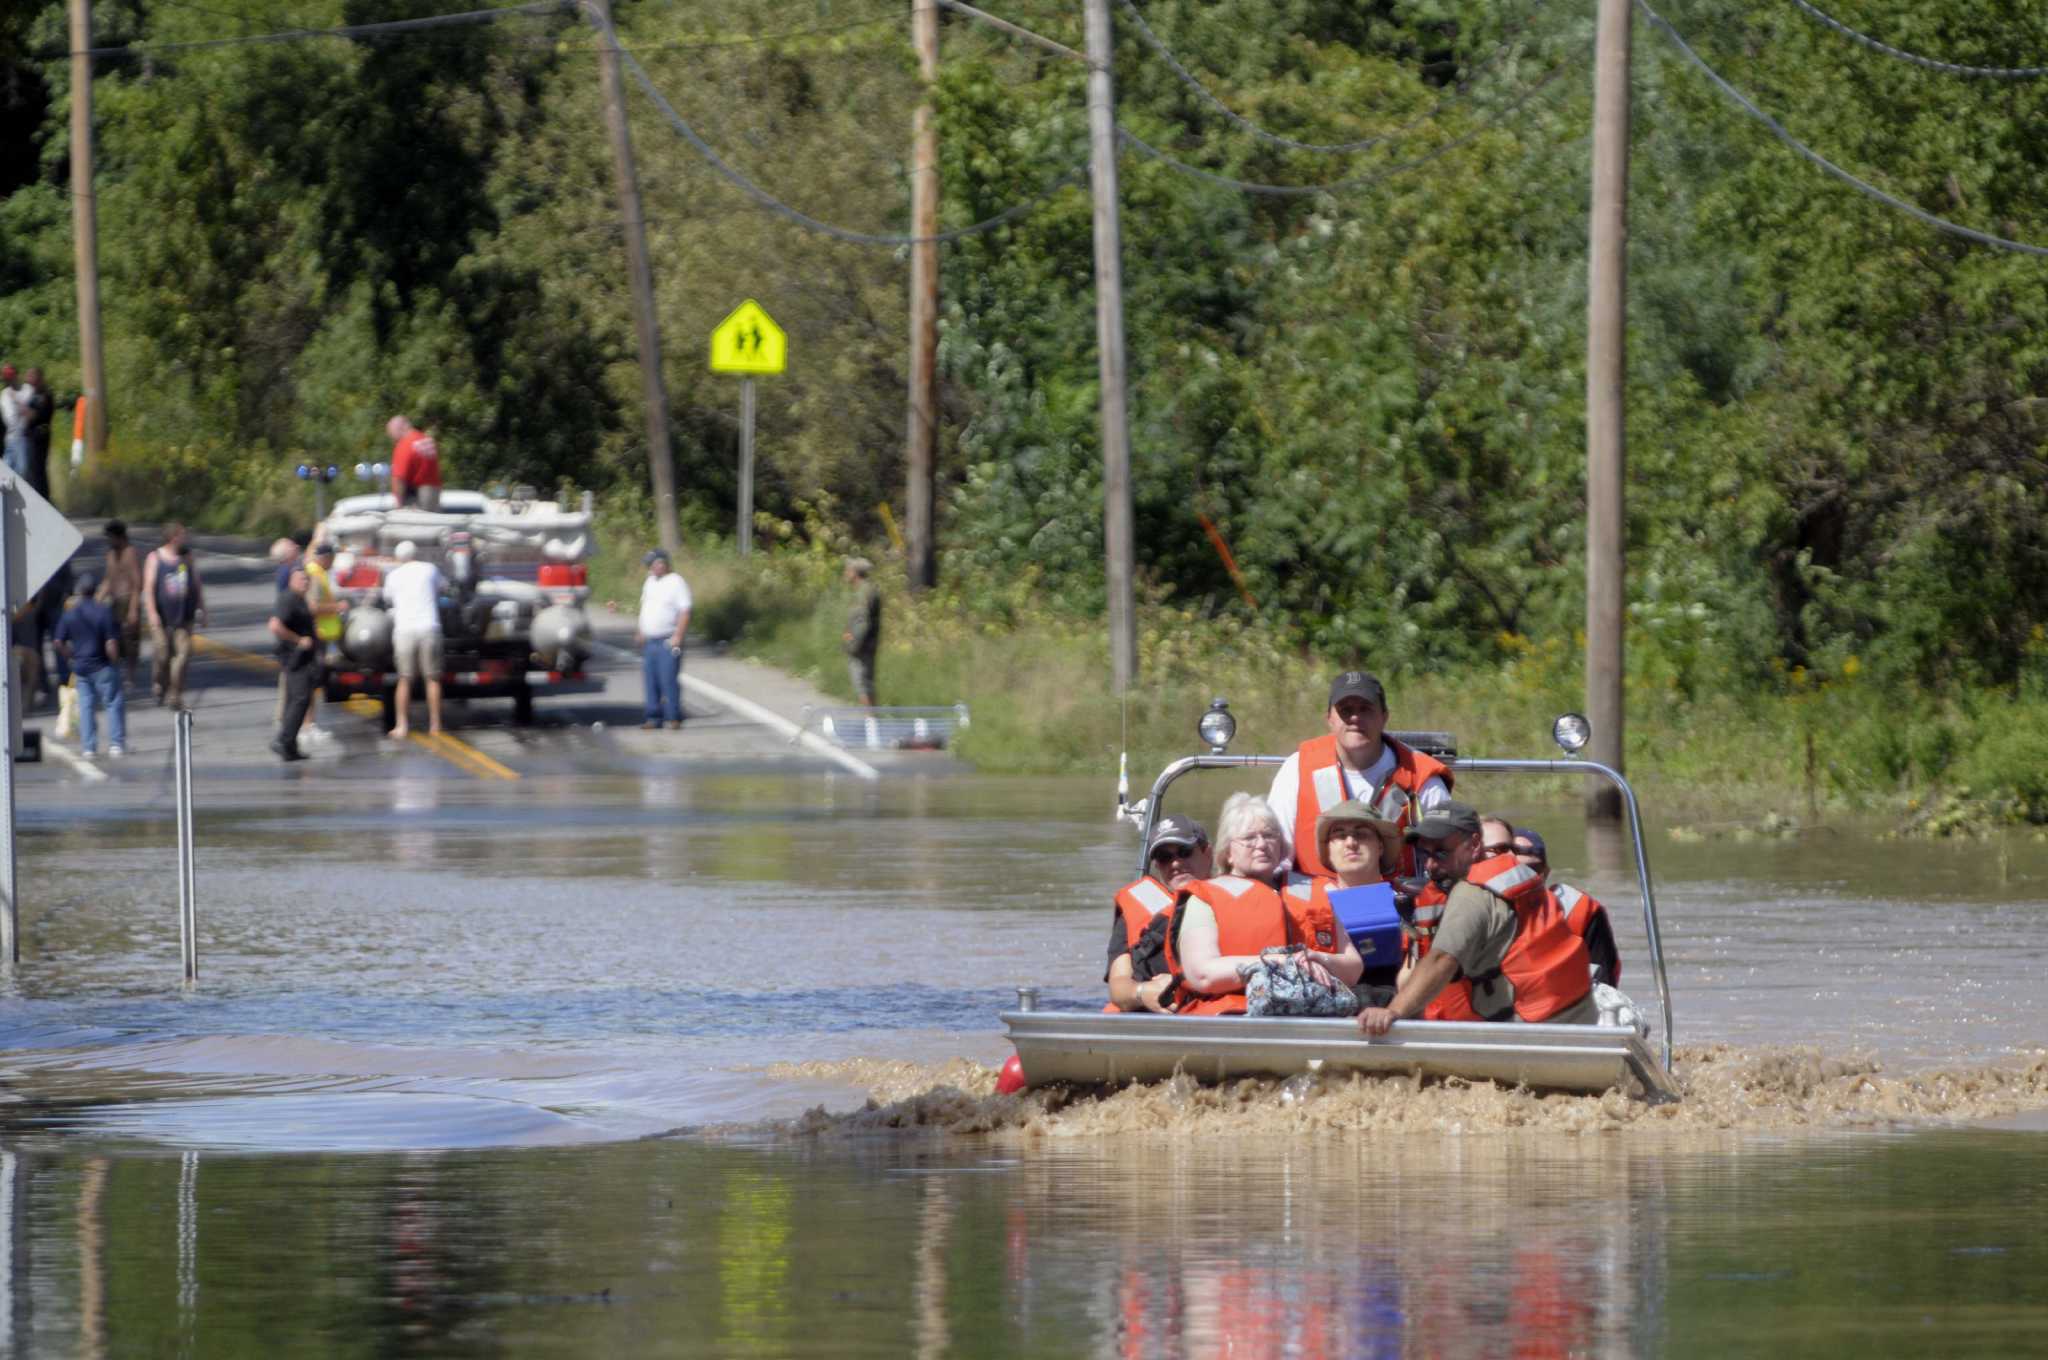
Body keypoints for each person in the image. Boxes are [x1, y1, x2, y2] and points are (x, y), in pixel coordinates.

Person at [1356, 801, 1597, 1035]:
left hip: (1536, 1026)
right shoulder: (1515, 873)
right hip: (1577, 1012)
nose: (1430, 865)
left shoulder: (1472, 894)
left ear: (1473, 845)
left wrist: (1393, 1012)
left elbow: (1442, 961)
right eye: (1422, 853)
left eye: (1442, 852)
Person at [1159, 792, 1363, 1016]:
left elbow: (1354, 967)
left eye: (1269, 835)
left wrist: (1319, 959)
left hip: (1316, 1013)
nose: (1261, 845)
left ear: (1281, 844)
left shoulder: (1320, 891)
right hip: (1236, 1018)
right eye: (1249, 838)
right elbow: (1202, 974)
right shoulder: (1203, 898)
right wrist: (1279, 963)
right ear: (1228, 852)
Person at [1264, 670, 1453, 878]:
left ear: (1384, 717)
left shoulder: (1421, 777)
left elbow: (1449, 860)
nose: (1355, 718)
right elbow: (1276, 860)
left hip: (1396, 906)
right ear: (1329, 719)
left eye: (1365, 709)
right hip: (1318, 906)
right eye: (1345, 710)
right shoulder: (1297, 769)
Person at [1294, 798, 1407, 1001]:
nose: (1351, 842)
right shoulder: (1302, 905)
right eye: (1340, 835)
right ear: (1328, 849)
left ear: (1380, 846)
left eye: (1361, 834)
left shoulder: (1409, 905)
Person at [1105, 813, 1213, 1012]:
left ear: (1207, 853)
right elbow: (1118, 984)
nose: (1176, 864)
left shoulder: (1228, 902)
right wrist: (1142, 992)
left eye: (1185, 851)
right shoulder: (1133, 907)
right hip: (1152, 1018)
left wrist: (1181, 984)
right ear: (1156, 865)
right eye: (1165, 858)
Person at [1512, 827, 1623, 987]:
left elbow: (1605, 984)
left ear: (1546, 873)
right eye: (1514, 869)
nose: (1523, 878)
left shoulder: (1580, 911)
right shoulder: (1477, 911)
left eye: (1531, 870)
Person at [51, 571, 124, 758]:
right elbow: (111, 643)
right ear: (95, 590)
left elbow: (58, 641)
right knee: (113, 703)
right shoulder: (104, 611)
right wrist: (115, 661)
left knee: (86, 706)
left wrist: (70, 656)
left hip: (81, 667)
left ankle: (89, 747)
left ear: (79, 591)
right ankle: (116, 744)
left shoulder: (71, 614)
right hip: (102, 665)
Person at [383, 540, 445, 739]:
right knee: (432, 678)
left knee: (405, 679)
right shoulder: (430, 569)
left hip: (404, 630)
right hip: (429, 627)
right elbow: (442, 588)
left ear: (398, 557)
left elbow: (387, 599)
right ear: (416, 553)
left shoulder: (393, 575)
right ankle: (435, 725)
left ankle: (402, 725)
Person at [141, 525, 204, 710]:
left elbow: (197, 584)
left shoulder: (187, 556)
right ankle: (159, 683)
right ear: (172, 538)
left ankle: (175, 694)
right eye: (182, 535)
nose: (185, 538)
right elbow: (149, 588)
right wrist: (152, 613)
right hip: (161, 616)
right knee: (162, 653)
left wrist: (202, 609)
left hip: (184, 615)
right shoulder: (155, 558)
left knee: (183, 655)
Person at [634, 548, 691, 730]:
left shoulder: (676, 582)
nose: (651, 568)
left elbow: (684, 610)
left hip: (668, 640)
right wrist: (641, 630)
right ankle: (653, 717)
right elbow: (645, 607)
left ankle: (673, 717)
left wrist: (678, 636)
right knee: (651, 680)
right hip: (650, 641)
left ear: (662, 563)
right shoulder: (649, 582)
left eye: (653, 564)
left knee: (668, 679)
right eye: (650, 565)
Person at [267, 565, 319, 762]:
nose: (305, 582)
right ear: (291, 580)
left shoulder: (300, 599)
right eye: (300, 579)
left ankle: (290, 746)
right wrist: (298, 640)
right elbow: (274, 625)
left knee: (294, 699)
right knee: (300, 698)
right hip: (294, 657)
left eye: (307, 579)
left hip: (303, 657)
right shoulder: (288, 598)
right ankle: (283, 739)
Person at [98, 520, 144, 684]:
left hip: (128, 600)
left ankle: (130, 674)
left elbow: (138, 583)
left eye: (111, 537)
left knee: (130, 640)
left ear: (120, 536)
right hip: (115, 602)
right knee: (113, 638)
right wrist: (96, 601)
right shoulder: (111, 554)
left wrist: (133, 609)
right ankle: (115, 672)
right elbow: (107, 580)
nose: (109, 541)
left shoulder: (130, 553)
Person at [842, 557, 881, 707]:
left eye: (848, 570)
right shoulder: (867, 590)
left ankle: (870, 722)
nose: (845, 573)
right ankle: (873, 722)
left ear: (855, 573)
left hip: (862, 648)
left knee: (862, 685)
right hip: (867, 645)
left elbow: (862, 623)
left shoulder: (864, 592)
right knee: (867, 684)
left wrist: (853, 645)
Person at [386, 416, 442, 510]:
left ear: (400, 428)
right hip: (434, 493)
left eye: (392, 434)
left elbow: (399, 477)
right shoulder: (426, 439)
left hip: (418, 497)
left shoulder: (404, 444)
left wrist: (398, 503)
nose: (393, 439)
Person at [20, 368, 52, 499]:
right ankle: (36, 498)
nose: (28, 379)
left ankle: (42, 499)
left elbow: (33, 415)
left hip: (39, 437)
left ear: (38, 378)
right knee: (31, 472)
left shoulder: (44, 395)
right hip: (31, 436)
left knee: (37, 471)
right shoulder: (33, 394)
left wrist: (25, 411)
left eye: (31, 376)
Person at [0, 364, 29, 479]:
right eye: (7, 379)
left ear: (17, 376)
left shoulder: (27, 389)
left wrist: (16, 400)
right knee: (7, 473)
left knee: (23, 471)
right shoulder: (5, 394)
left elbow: (29, 412)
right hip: (12, 438)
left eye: (11, 377)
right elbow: (9, 418)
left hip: (26, 438)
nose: (10, 381)